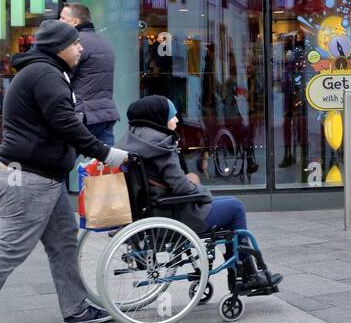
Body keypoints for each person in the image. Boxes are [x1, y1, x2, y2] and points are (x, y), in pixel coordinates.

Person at [0, 20, 128, 323]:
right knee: (11, 247)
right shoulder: (45, 75)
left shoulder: (45, 73)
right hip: (26, 177)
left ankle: (76, 308)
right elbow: (64, 124)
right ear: (60, 47)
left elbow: (61, 121)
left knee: (62, 241)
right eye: (75, 44)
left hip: (42, 176)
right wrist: (106, 153)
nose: (81, 48)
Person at [117, 95, 280, 287]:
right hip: (176, 215)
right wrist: (198, 187)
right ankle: (247, 275)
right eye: (172, 115)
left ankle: (244, 273)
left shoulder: (133, 140)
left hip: (154, 212)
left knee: (227, 202)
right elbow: (181, 187)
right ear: (159, 118)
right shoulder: (162, 144)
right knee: (235, 208)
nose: (177, 120)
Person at [59, 2, 120, 146]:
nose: (59, 22)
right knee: (106, 164)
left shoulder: (75, 44)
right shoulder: (104, 42)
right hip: (105, 114)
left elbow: (63, 79)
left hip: (83, 114)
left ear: (75, 21)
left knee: (60, 162)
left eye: (63, 19)